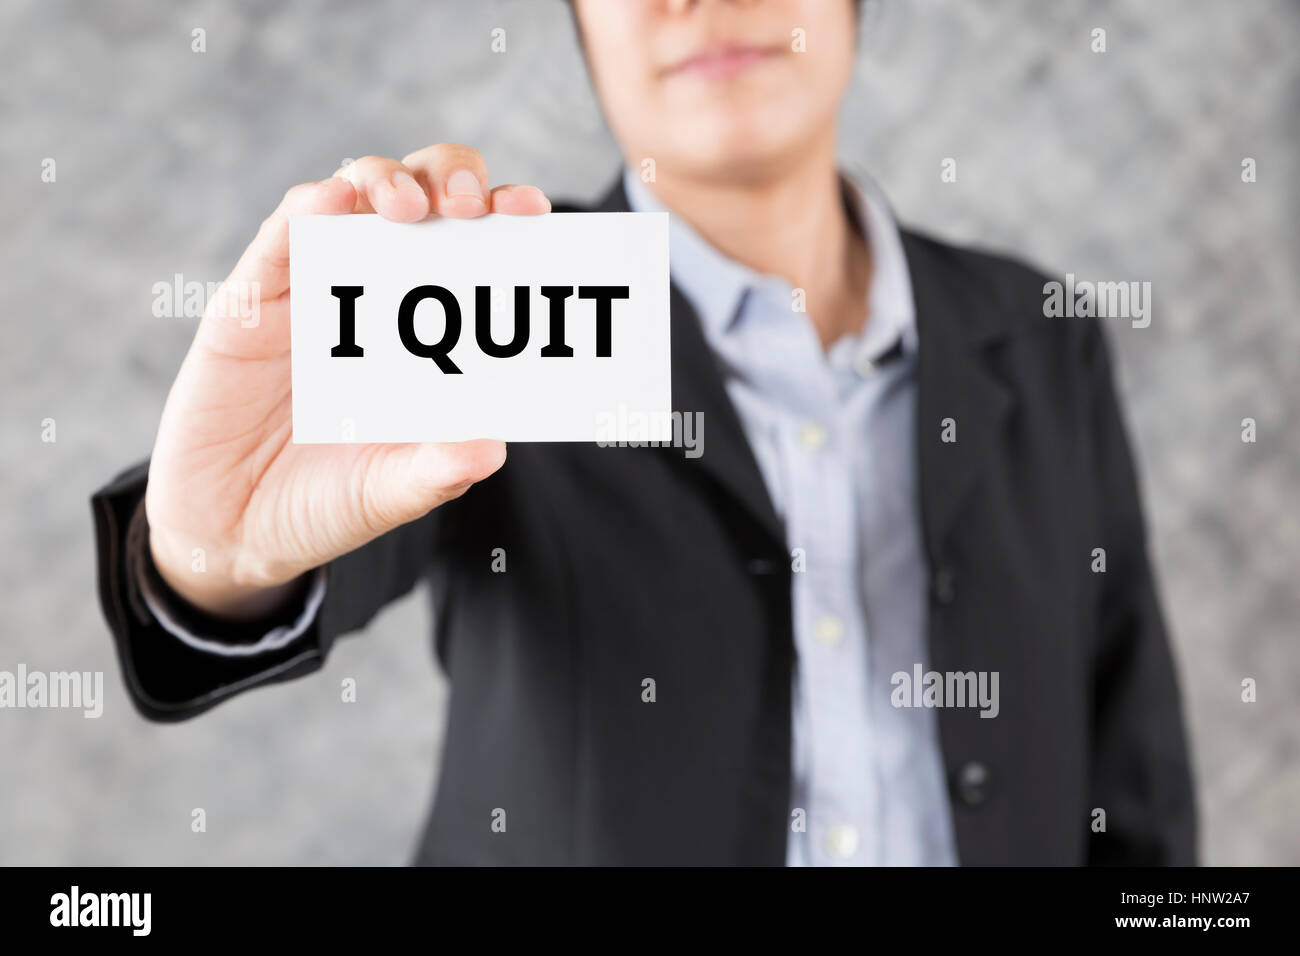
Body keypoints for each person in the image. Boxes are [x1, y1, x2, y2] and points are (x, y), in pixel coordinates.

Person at [91, 0, 1196, 865]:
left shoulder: (1037, 336)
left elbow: (1131, 775)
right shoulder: (499, 300)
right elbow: (292, 559)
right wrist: (209, 557)